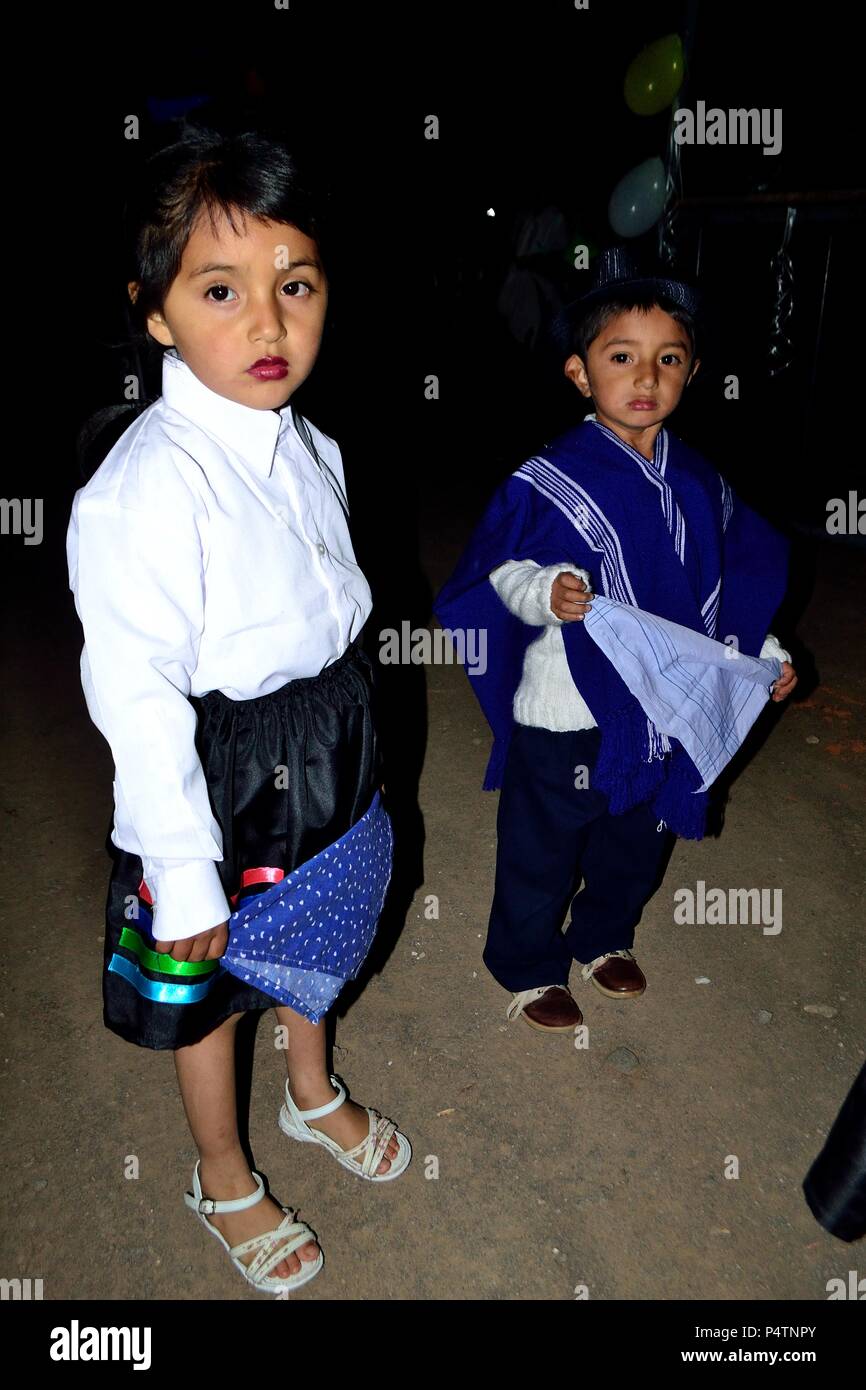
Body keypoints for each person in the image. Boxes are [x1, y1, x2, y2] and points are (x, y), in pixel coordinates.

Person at [66, 127, 410, 1296]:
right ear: (155, 312)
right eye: (221, 289)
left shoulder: (310, 443)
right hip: (217, 768)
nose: (268, 323)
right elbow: (133, 689)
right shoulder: (142, 491)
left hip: (330, 730)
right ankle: (220, 1169)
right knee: (208, 984)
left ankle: (310, 1094)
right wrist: (183, 863)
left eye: (294, 284)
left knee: (322, 927)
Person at [434, 247, 797, 1034]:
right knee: (543, 842)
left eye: (668, 359)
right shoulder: (549, 476)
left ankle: (604, 938)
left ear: (692, 373)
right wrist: (545, 592)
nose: (645, 377)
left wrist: (766, 657)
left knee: (637, 837)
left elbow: (728, 585)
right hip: (564, 707)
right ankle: (530, 964)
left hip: (664, 705)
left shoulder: (700, 482)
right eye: (621, 357)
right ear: (578, 373)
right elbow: (497, 573)